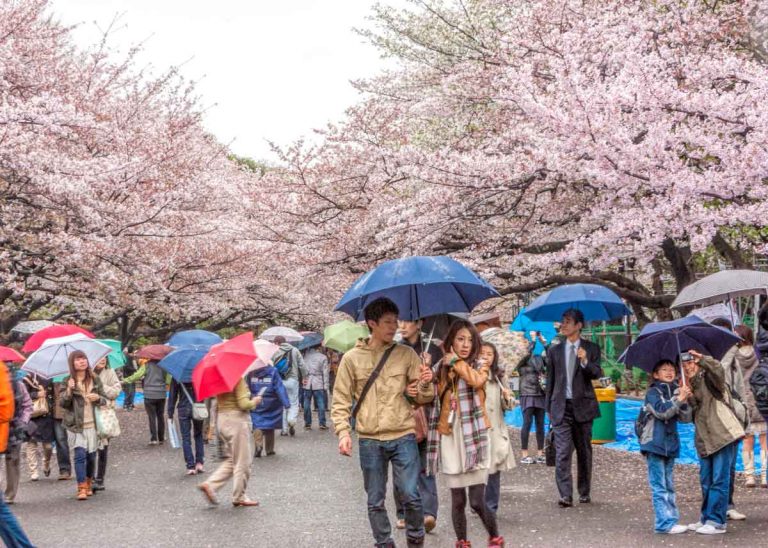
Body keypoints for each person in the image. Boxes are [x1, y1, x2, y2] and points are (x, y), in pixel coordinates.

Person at [332, 297, 434, 548]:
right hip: (369, 439)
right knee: (375, 499)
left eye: (396, 321)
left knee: (411, 495)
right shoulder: (351, 359)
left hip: (403, 434)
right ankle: (384, 542)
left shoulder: (407, 355)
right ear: (371, 323)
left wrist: (425, 381)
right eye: (388, 322)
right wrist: (343, 432)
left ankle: (415, 538)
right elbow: (340, 400)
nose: (395, 327)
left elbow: (421, 398)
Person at [425, 319, 503, 548]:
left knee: (477, 501)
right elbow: (430, 396)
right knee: (457, 499)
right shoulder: (441, 366)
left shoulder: (480, 364)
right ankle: (462, 542)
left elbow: (477, 380)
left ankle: (495, 538)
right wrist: (426, 377)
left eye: (470, 340)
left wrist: (457, 362)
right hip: (450, 434)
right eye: (460, 339)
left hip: (475, 435)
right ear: (451, 341)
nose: (465, 344)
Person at [683, 350, 745, 535]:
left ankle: (717, 521)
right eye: (684, 365)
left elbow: (718, 370)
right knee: (706, 480)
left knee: (719, 479)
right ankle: (705, 518)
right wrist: (686, 398)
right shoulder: (688, 386)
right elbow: (692, 416)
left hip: (722, 435)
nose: (688, 366)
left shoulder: (711, 379)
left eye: (691, 362)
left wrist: (703, 359)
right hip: (704, 439)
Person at [545, 308, 602, 507]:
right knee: (562, 453)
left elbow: (596, 373)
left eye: (568, 321)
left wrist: (584, 360)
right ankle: (565, 495)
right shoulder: (554, 350)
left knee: (584, 452)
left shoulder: (592, 348)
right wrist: (549, 409)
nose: (564, 325)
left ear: (578, 325)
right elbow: (551, 381)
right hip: (561, 406)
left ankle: (584, 491)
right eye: (563, 321)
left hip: (583, 406)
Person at [393, 318, 442, 533]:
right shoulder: (394, 350)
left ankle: (429, 513)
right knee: (402, 466)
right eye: (399, 321)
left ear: (420, 323)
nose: (402, 325)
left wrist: (430, 372)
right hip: (401, 415)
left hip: (427, 415)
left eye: (408, 321)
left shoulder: (434, 348)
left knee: (425, 465)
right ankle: (403, 511)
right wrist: (405, 388)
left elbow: (442, 381)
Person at [639, 360, 692, 534]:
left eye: (672, 369)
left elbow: (685, 418)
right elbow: (662, 412)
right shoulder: (653, 393)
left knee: (669, 484)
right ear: (655, 374)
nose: (669, 372)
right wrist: (678, 400)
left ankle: (672, 520)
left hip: (671, 443)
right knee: (659, 485)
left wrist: (684, 400)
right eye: (664, 369)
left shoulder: (676, 390)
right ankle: (663, 523)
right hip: (654, 442)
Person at [197, 377, 261, 507]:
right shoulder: (237, 379)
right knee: (243, 461)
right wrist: (255, 401)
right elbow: (243, 404)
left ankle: (210, 485)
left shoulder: (218, 380)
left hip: (222, 419)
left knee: (232, 460)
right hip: (236, 421)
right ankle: (239, 496)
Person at [711, 318, 747, 521]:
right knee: (716, 466)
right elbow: (719, 375)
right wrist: (732, 351)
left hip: (733, 414)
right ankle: (714, 506)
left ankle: (728, 503)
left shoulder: (733, 360)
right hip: (716, 417)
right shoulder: (711, 356)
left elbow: (740, 388)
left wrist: (745, 416)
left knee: (731, 464)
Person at [60, 350, 106, 501]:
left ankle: (88, 481)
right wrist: (69, 390)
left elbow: (104, 399)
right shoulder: (67, 380)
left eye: (84, 359)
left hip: (92, 424)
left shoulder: (95, 378)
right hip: (75, 425)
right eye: (78, 359)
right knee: (79, 455)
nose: (82, 361)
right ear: (72, 363)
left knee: (91, 456)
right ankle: (81, 487)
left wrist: (98, 397)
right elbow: (63, 404)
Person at [0, 360, 35, 547]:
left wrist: (22, 422)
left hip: (12, 431)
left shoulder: (5, 374)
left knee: (12, 463)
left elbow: (6, 409)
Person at [481, 342, 516, 516]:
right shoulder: (472, 376)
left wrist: (507, 397)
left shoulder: (499, 377)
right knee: (479, 469)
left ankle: (491, 507)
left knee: (494, 469)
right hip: (479, 429)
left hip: (496, 428)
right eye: (483, 353)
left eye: (489, 354)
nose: (486, 357)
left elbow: (509, 406)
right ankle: (478, 503)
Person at [732, 325, 766, 487]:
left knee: (747, 441)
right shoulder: (759, 353)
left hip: (743, 404)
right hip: (760, 401)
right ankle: (765, 476)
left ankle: (749, 476)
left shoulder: (733, 357)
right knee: (765, 440)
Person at [122, 358, 169, 445]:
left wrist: (125, 380)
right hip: (161, 394)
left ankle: (154, 438)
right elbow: (168, 380)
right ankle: (161, 438)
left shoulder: (146, 365)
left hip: (149, 394)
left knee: (152, 417)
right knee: (160, 416)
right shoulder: (164, 365)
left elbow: (137, 375)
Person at [247, 363, 290, 457]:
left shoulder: (251, 372)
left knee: (257, 423)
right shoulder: (273, 371)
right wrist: (286, 403)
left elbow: (248, 387)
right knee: (270, 424)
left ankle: (258, 445)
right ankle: (269, 449)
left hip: (256, 401)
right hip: (272, 402)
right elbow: (279, 387)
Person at [4, 363, 32, 505]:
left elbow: (27, 405)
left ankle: (10, 495)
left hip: (14, 427)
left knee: (13, 460)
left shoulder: (18, 385)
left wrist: (23, 422)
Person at [93, 357, 121, 491]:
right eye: (99, 357)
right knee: (89, 448)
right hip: (89, 415)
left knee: (103, 448)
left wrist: (100, 385)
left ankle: (100, 478)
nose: (103, 359)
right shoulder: (85, 373)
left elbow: (116, 391)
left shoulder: (110, 372)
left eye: (105, 357)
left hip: (105, 414)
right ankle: (89, 477)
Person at [517, 340, 547, 465]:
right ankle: (525, 454)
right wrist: (530, 347)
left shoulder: (540, 358)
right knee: (527, 423)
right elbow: (520, 363)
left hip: (540, 393)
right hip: (527, 393)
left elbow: (550, 363)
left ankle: (540, 453)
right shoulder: (521, 358)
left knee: (540, 424)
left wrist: (545, 344)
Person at [168, 378, 205, 475]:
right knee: (198, 435)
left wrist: (170, 413)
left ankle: (190, 466)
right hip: (198, 407)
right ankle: (199, 463)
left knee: (186, 438)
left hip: (183, 409)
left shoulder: (177, 375)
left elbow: (173, 396)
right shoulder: (200, 373)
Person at [272, 336, 307, 437]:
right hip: (293, 380)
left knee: (282, 405)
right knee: (293, 402)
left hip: (280, 381)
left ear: (277, 342)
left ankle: (284, 430)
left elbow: (270, 365)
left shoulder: (274, 351)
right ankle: (291, 420)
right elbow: (302, 365)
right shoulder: (295, 350)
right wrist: (305, 376)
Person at [22, 372, 55, 481]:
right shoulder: (27, 379)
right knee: (31, 444)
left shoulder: (50, 377)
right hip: (32, 416)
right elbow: (23, 396)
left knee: (48, 446)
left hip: (46, 415)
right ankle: (33, 471)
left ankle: (46, 463)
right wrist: (36, 394)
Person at [302, 343, 329, 431]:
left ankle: (307, 423)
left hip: (307, 381)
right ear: (318, 347)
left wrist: (303, 379)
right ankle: (322, 423)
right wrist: (326, 385)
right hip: (318, 381)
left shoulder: (305, 356)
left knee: (306, 403)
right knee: (321, 403)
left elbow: (303, 369)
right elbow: (325, 372)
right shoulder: (323, 357)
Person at [51, 380, 72, 480]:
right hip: (57, 413)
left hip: (76, 411)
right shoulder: (48, 377)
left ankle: (86, 468)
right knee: (61, 440)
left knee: (82, 441)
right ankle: (64, 469)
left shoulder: (74, 373)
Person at [121, 346, 137, 411]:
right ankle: (126, 405)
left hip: (130, 376)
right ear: (132, 351)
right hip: (129, 376)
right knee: (129, 391)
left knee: (131, 391)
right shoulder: (129, 357)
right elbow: (126, 367)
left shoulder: (129, 357)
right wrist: (135, 370)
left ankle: (130, 404)